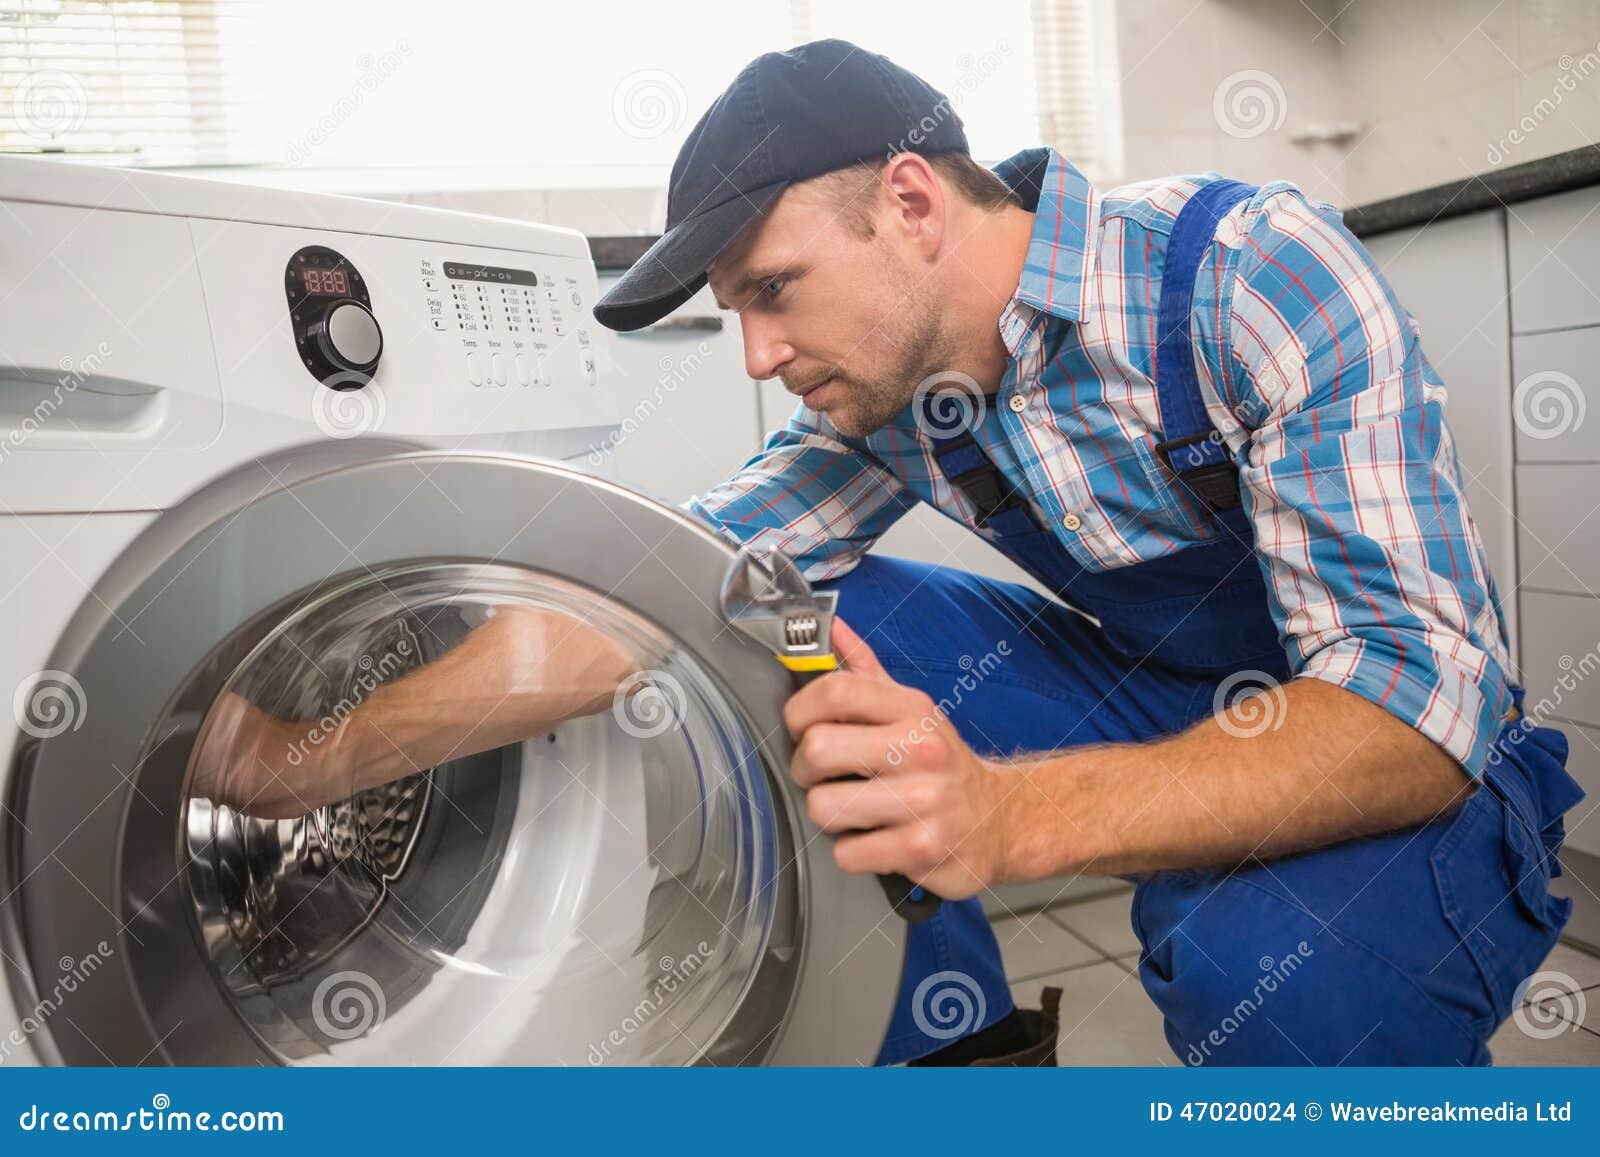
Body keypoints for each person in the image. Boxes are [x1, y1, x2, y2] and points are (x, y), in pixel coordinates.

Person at [196, 39, 1582, 1067]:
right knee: (781, 615)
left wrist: (1012, 816)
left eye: (772, 291)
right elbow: (651, 600)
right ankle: (959, 1065)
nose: (757, 353)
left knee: (1270, 973)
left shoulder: (1242, 274)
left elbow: (1416, 701)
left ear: (911, 205)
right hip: (1168, 697)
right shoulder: (888, 393)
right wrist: (305, 761)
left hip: (1406, 747)